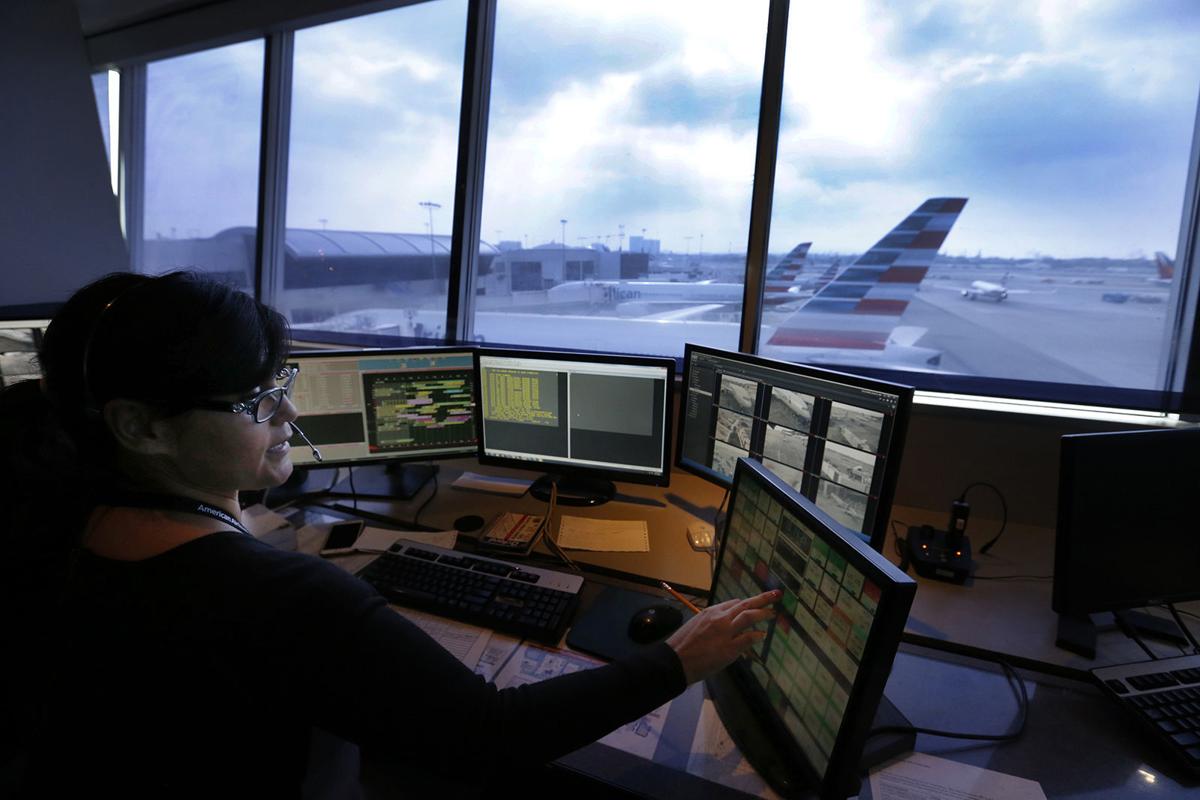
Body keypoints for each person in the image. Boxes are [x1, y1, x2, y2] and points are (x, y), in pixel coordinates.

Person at [0, 271, 778, 797]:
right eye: (254, 402)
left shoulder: (58, 528)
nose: (288, 413)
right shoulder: (274, 597)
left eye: (281, 385)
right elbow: (491, 736)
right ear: (141, 427)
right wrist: (678, 658)